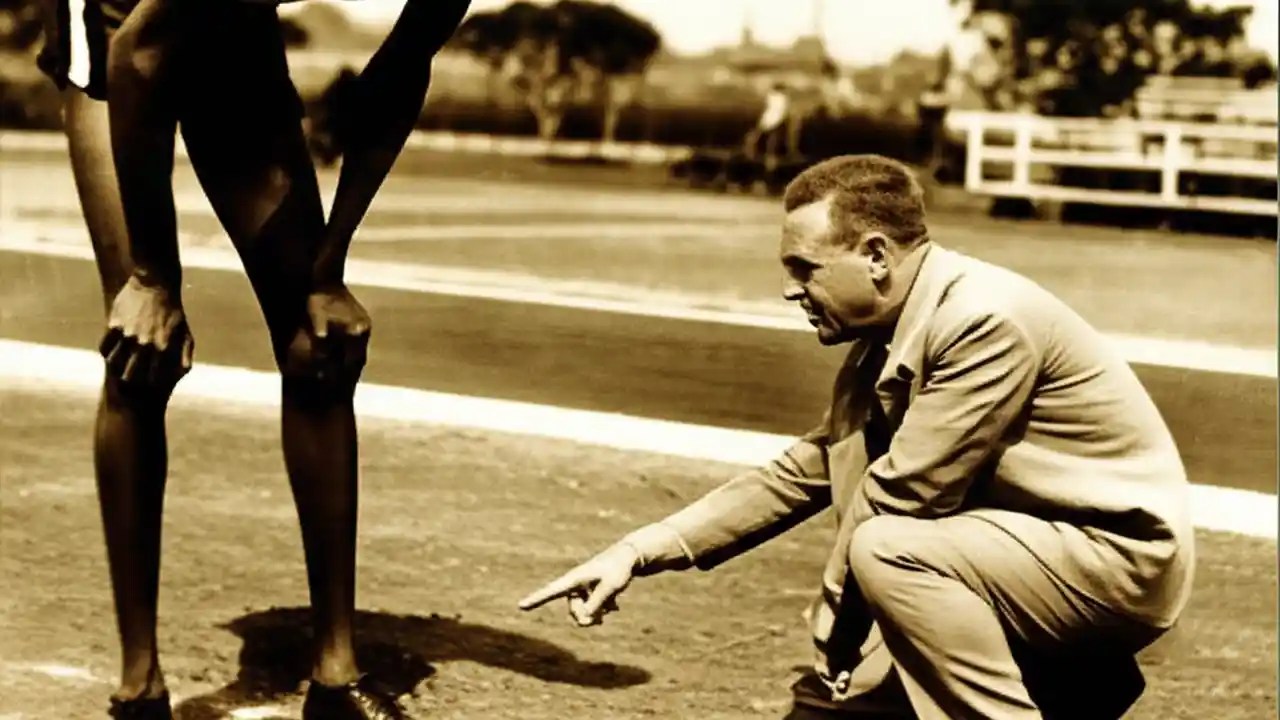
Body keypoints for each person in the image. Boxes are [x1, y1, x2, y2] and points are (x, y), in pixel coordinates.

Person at [519, 155, 1195, 719]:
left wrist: (833, 638)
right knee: (825, 713)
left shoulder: (983, 319)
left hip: (1112, 563)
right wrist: (638, 551)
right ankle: (1070, 688)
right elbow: (805, 470)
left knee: (887, 553)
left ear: (875, 255)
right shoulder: (884, 342)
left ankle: (1061, 682)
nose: (790, 290)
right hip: (1003, 558)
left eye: (804, 268)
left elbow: (907, 498)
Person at [37, 0, 471, 718]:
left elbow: (392, 82)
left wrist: (328, 273)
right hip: (118, 28)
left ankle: (336, 677)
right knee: (143, 351)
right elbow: (139, 56)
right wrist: (150, 280)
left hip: (227, 26)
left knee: (318, 346)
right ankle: (138, 683)